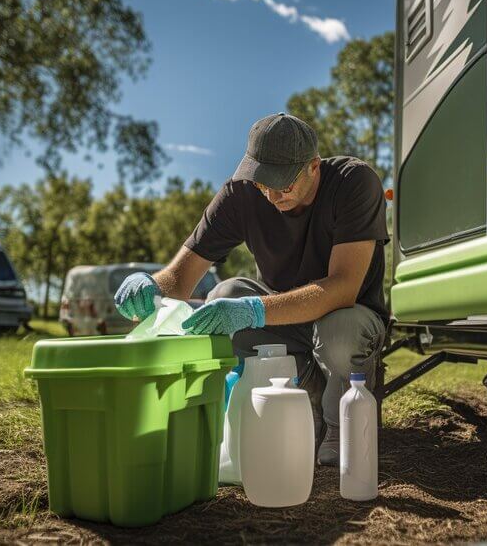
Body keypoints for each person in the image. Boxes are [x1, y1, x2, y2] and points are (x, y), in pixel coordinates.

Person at [113, 112, 388, 466]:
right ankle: (312, 400)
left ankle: (341, 421)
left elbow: (342, 288)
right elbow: (180, 277)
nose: (272, 196)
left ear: (313, 167)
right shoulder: (240, 194)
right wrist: (151, 286)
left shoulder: (354, 182)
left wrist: (254, 310)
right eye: (262, 183)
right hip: (287, 319)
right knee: (223, 296)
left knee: (339, 332)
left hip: (350, 318)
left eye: (284, 183)